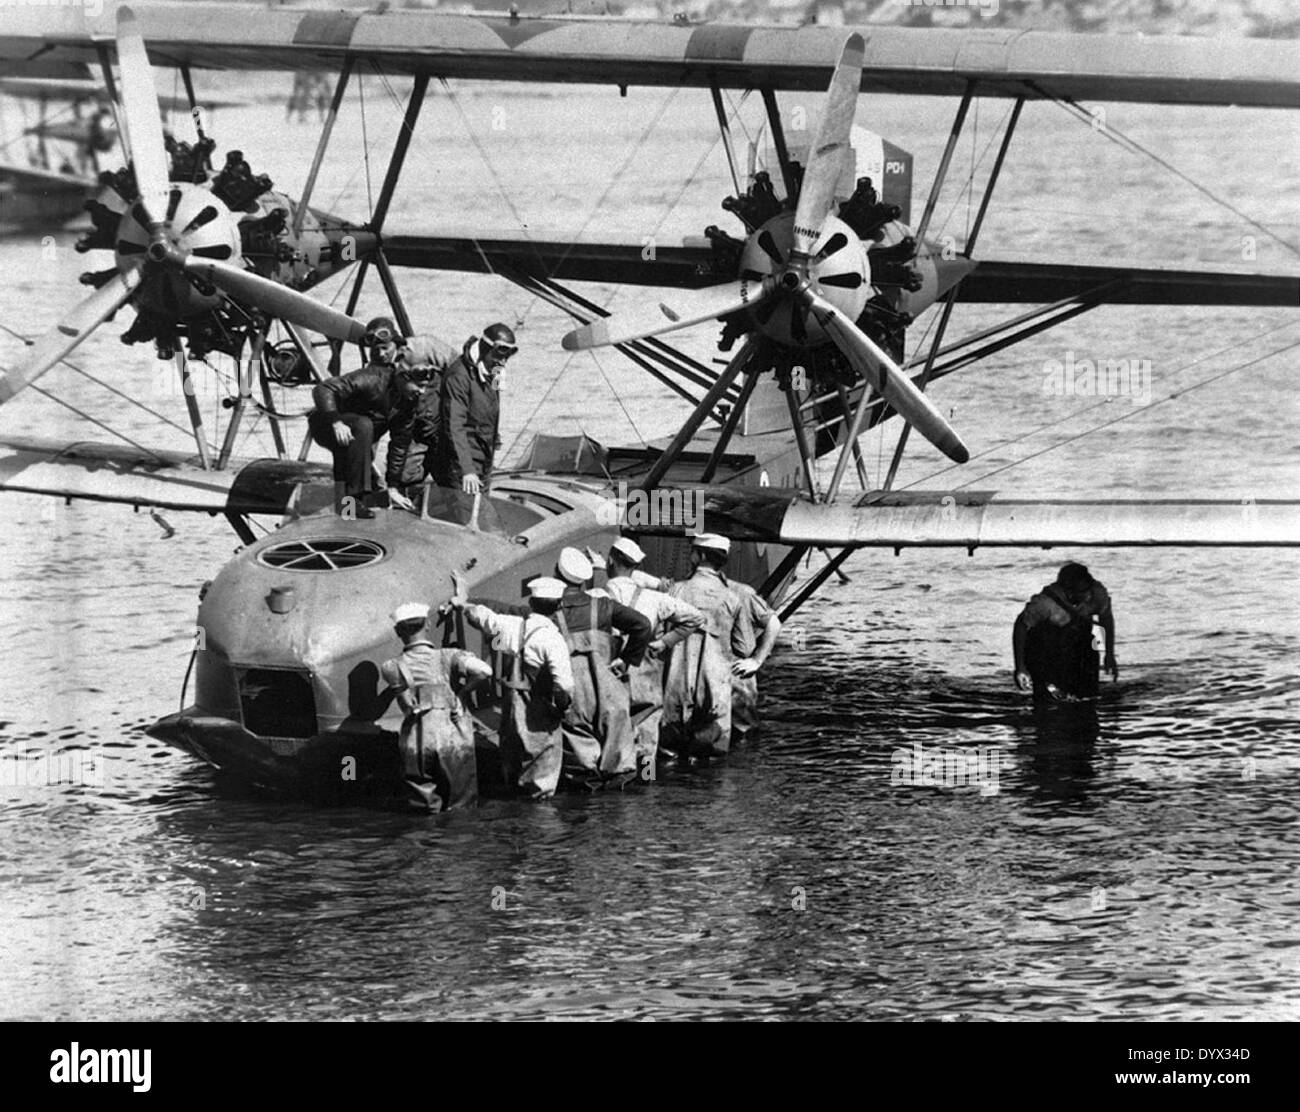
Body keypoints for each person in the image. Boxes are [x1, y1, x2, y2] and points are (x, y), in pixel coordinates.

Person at [451, 576, 575, 800]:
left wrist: (462, 602)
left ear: (531, 603)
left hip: (512, 705)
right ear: (558, 607)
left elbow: (481, 616)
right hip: (539, 710)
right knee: (541, 772)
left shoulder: (509, 625)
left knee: (512, 759)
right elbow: (564, 685)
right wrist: (562, 709)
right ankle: (648, 774)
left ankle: (515, 815)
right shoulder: (553, 639)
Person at [660, 534, 782, 761]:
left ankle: (661, 791)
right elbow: (748, 643)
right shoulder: (736, 594)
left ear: (701, 556)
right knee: (718, 754)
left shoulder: (675, 591)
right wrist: (755, 661)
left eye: (693, 552)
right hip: (721, 684)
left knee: (669, 754)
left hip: (676, 684)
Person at [308, 317, 432, 518]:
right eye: (418, 386)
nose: (421, 391)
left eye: (425, 387)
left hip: (354, 436)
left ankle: (347, 509)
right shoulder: (371, 378)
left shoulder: (408, 403)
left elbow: (399, 446)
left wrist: (393, 487)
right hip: (327, 423)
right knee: (363, 426)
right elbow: (323, 389)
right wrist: (337, 422)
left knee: (351, 451)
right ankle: (355, 500)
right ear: (402, 377)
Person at [550, 546, 651, 790]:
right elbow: (643, 626)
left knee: (583, 769)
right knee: (621, 768)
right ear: (584, 580)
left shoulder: (552, 613)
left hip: (574, 695)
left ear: (557, 575)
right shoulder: (604, 607)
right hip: (609, 691)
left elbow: (509, 613)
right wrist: (626, 660)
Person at [602, 536, 705, 770]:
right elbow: (697, 617)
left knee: (613, 732)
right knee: (647, 731)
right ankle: (647, 783)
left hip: (610, 671)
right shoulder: (654, 599)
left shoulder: (599, 598)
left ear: (609, 561)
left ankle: (618, 784)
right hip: (643, 672)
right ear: (635, 567)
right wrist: (665, 642)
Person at [379, 602, 493, 812]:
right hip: (452, 737)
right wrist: (463, 692)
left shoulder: (391, 667)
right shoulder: (450, 656)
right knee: (461, 806)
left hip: (416, 740)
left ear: (397, 631)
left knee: (422, 808)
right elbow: (484, 671)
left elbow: (405, 701)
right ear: (428, 625)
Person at [430, 323, 517, 497]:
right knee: (471, 515)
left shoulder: (497, 369)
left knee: (483, 510)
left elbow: (494, 403)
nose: (502, 363)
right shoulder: (458, 377)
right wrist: (467, 470)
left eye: (507, 357)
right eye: (499, 356)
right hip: (460, 462)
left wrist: (493, 435)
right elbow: (454, 426)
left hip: (484, 456)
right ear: (485, 349)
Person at [1013, 561, 1118, 701]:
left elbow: (1104, 623)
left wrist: (1108, 654)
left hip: (1082, 642)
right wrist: (1020, 667)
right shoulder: (1044, 603)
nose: (1087, 596)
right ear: (1067, 591)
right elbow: (1021, 627)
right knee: (1048, 698)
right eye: (1082, 592)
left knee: (1089, 695)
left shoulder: (1097, 593)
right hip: (1047, 647)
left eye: (1088, 589)